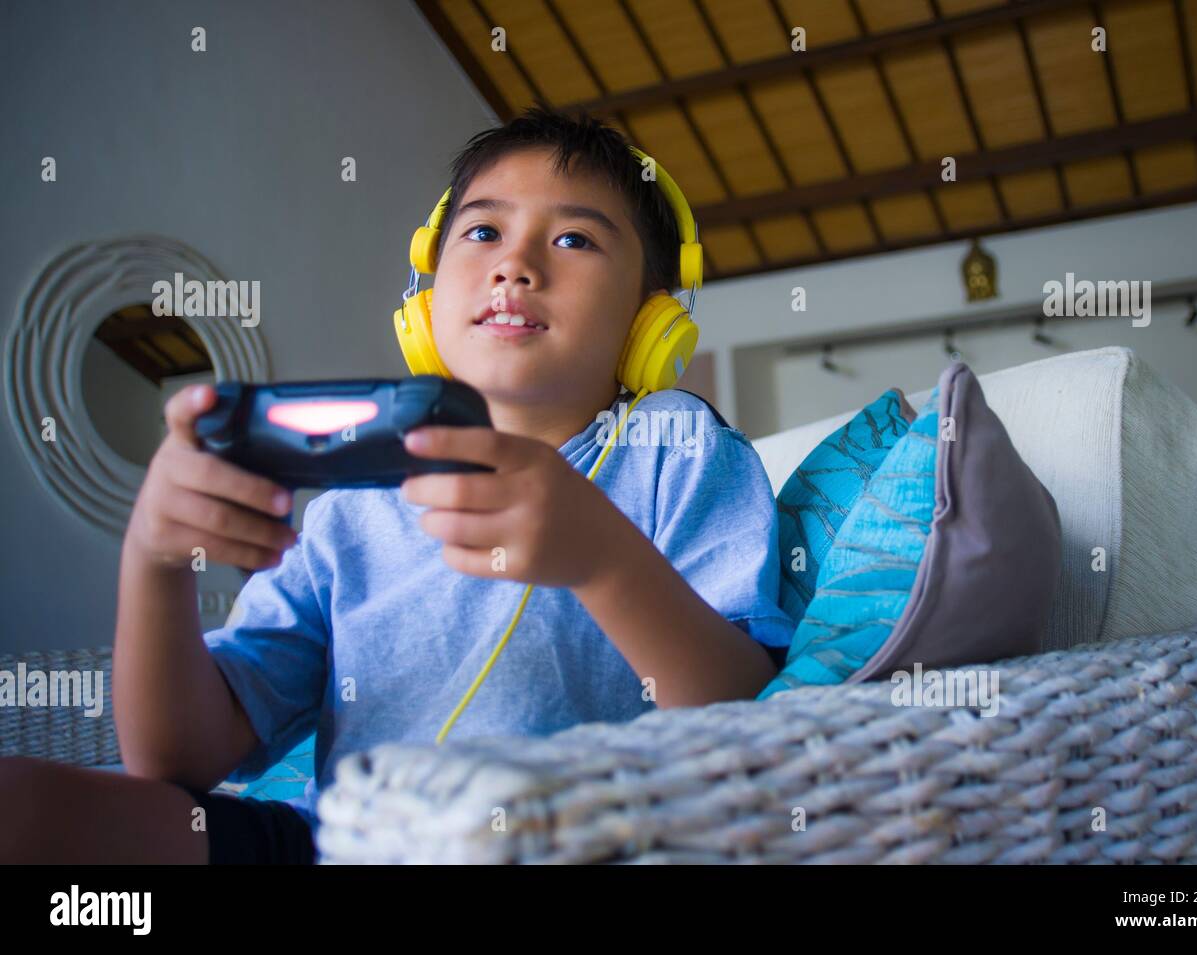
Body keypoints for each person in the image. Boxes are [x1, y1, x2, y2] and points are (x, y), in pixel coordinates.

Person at [0, 106, 794, 864]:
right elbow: (177, 757)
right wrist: (154, 561)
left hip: (569, 834)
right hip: (335, 840)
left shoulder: (678, 446)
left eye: (577, 239)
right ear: (423, 299)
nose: (516, 264)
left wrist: (603, 560)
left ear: (652, 322)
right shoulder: (353, 501)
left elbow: (748, 720)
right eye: (483, 230)